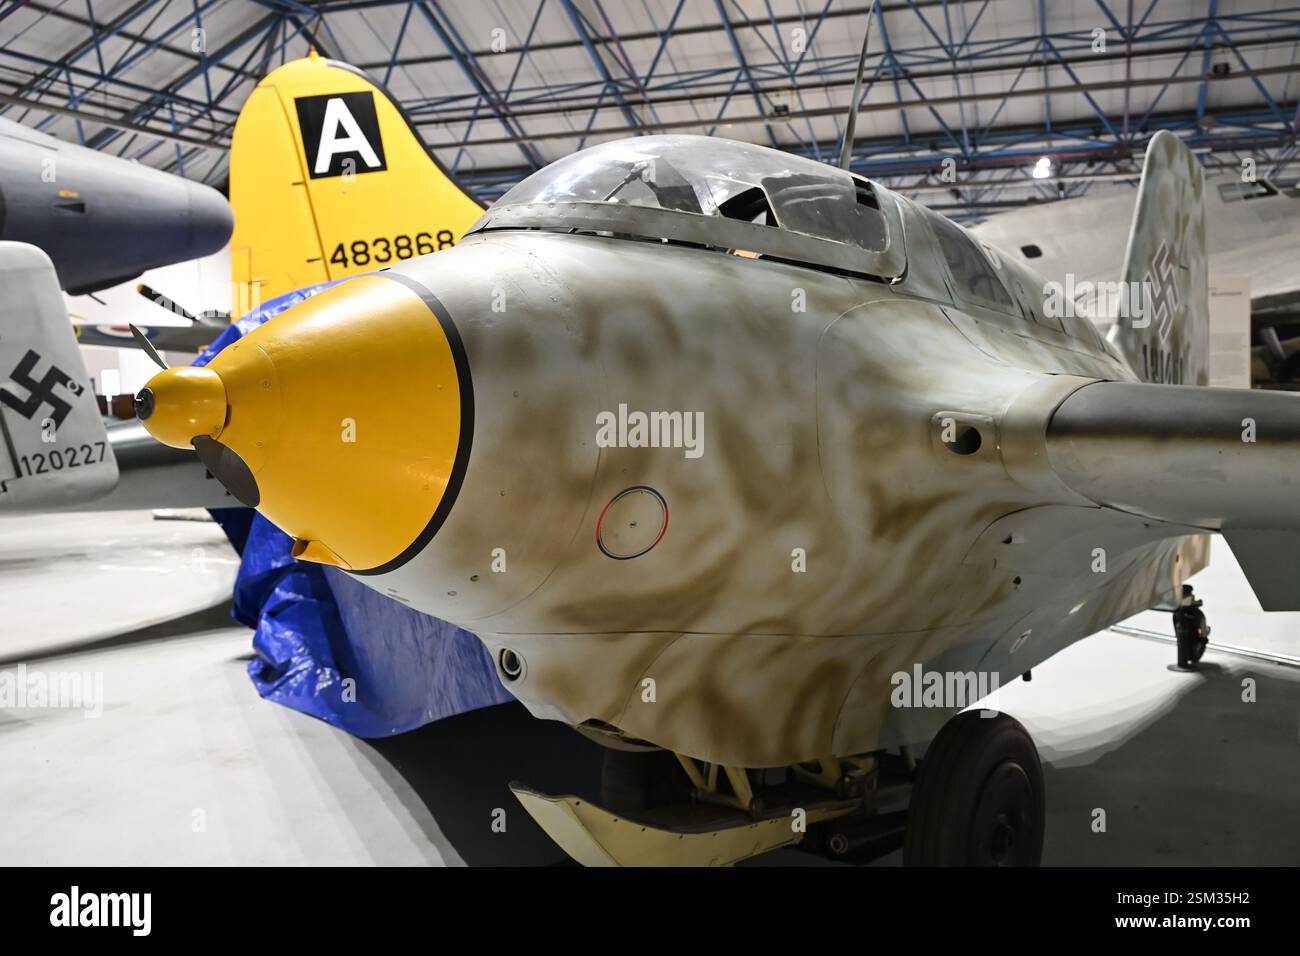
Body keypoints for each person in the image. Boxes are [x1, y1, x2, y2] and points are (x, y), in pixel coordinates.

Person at [1172, 584, 1209, 669]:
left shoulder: (1195, 613)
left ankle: (1202, 638)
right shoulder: (1180, 610)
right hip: (1193, 644)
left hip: (1195, 645)